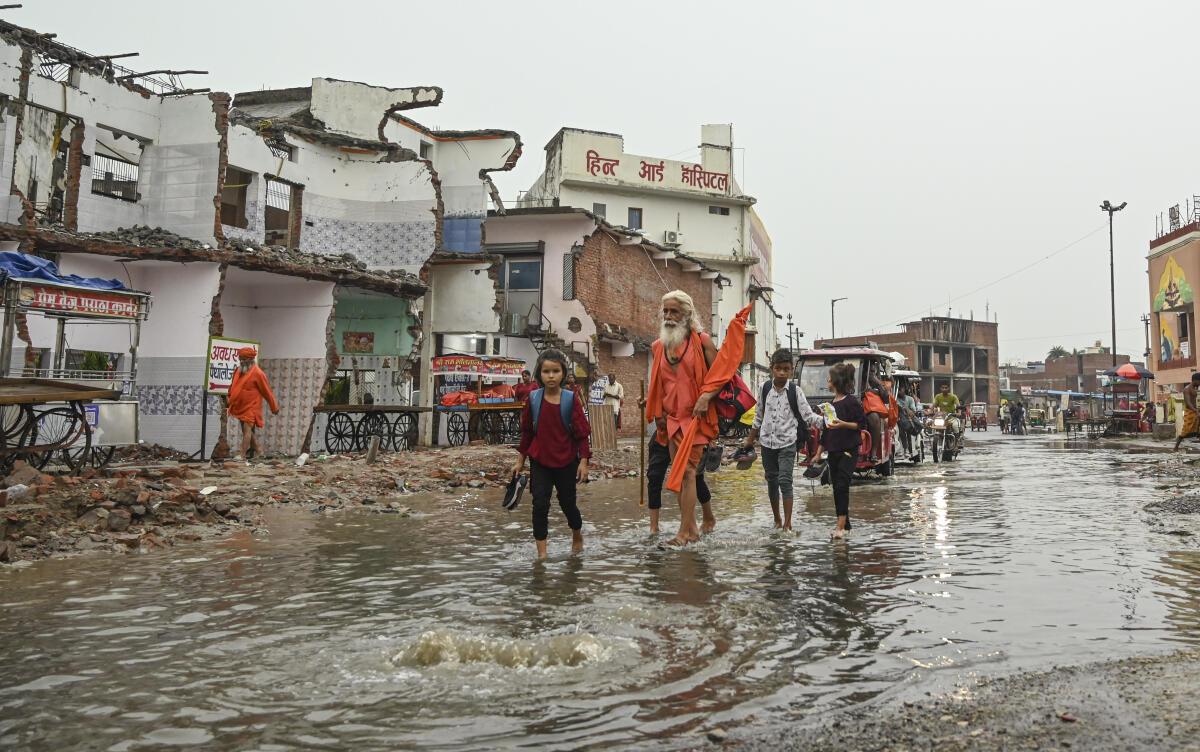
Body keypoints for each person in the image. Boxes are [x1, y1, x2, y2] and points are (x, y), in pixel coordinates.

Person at [644, 290, 721, 545]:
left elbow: (721, 376)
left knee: (688, 472)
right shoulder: (658, 347)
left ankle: (684, 532)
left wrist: (706, 397)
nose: (668, 316)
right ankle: (692, 531)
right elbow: (661, 384)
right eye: (665, 311)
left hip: (697, 419)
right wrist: (655, 408)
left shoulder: (702, 341)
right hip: (672, 421)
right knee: (679, 475)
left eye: (674, 311)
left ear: (686, 314)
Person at [512, 348, 591, 559]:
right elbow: (527, 433)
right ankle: (542, 555)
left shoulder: (570, 399)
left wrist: (584, 461)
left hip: (566, 461)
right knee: (539, 505)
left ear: (563, 373)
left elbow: (582, 434)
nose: (551, 376)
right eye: (546, 371)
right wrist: (520, 461)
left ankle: (576, 534)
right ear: (540, 373)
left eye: (555, 371)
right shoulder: (534, 398)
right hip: (540, 461)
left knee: (568, 504)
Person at [742, 349, 825, 531]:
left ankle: (787, 524)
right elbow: (758, 417)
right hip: (766, 444)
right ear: (772, 368)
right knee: (771, 480)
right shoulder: (764, 389)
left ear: (791, 372)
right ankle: (777, 519)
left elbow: (808, 416)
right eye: (778, 368)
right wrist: (749, 441)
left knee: (785, 481)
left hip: (787, 444)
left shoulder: (796, 392)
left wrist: (827, 422)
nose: (781, 373)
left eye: (786, 369)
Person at [824, 362, 866, 540]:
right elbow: (826, 430)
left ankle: (840, 526)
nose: (827, 380)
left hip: (849, 450)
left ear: (835, 382)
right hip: (833, 450)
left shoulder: (851, 402)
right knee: (836, 487)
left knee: (842, 484)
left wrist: (843, 424)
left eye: (829, 378)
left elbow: (860, 424)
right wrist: (819, 451)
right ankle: (846, 524)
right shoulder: (830, 404)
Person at [227, 347, 279, 464]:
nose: (241, 361)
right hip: (239, 406)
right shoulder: (239, 370)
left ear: (250, 359)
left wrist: (274, 407)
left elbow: (267, 392)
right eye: (240, 359)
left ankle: (242, 455)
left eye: (243, 359)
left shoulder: (258, 373)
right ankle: (259, 451)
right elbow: (233, 386)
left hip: (252, 406)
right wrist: (229, 397)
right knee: (248, 431)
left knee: (247, 430)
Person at [1174, 373, 1200, 450]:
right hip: (1190, 412)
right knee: (1185, 431)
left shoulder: (1195, 387)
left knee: (1198, 428)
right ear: (1195, 380)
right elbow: (1188, 403)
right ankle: (1176, 447)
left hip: (1195, 411)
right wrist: (1196, 411)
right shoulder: (1187, 389)